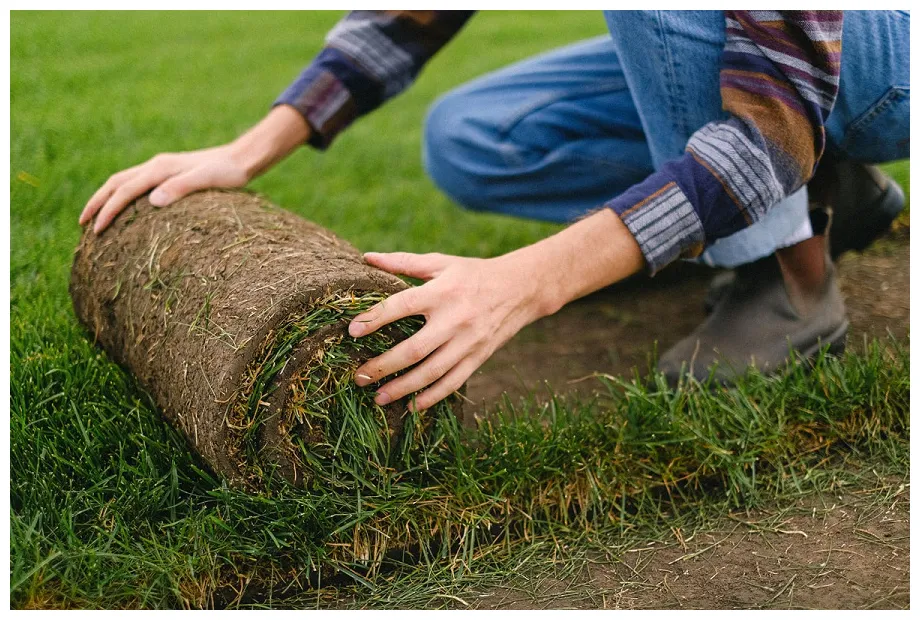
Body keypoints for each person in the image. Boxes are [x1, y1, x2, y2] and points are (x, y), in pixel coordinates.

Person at [79, 10, 910, 411]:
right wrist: (248, 149)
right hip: (761, 53)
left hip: (876, 59)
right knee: (473, 136)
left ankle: (785, 272)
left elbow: (770, 128)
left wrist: (527, 282)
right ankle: (822, 190)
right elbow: (407, 17)